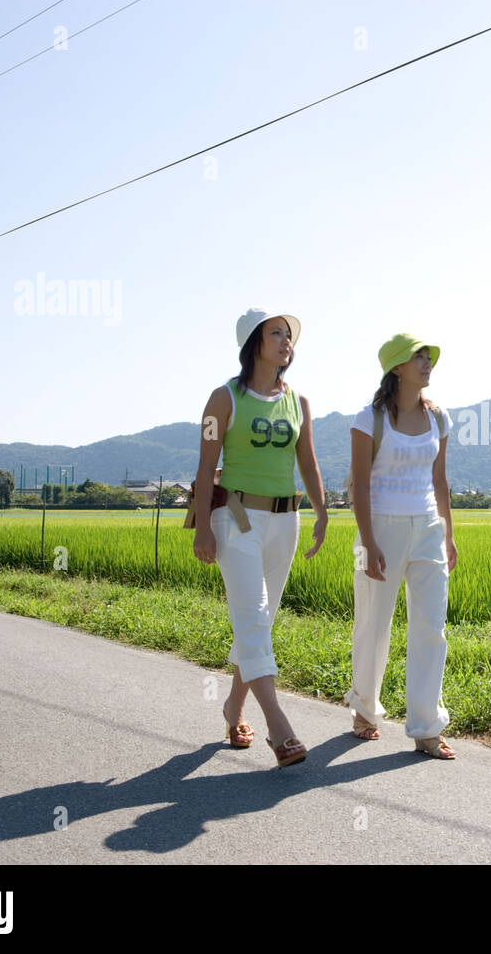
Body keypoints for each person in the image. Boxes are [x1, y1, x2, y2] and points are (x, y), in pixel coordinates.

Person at [192, 306, 328, 768]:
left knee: (261, 623)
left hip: (284, 518)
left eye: (289, 335)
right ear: (254, 342)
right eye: (277, 333)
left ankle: (234, 708)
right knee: (251, 618)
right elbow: (207, 466)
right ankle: (279, 727)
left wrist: (323, 513)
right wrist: (204, 529)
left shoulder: (299, 402)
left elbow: (307, 463)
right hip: (237, 514)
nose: (287, 341)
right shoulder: (223, 398)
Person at [344, 333, 458, 759]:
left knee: (431, 627)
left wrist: (448, 534)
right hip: (381, 528)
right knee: (373, 624)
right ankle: (365, 709)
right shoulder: (367, 419)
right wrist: (369, 542)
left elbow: (440, 481)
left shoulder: (439, 418)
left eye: (429, 357)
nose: (427, 364)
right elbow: (360, 485)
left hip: (428, 527)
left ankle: (427, 728)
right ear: (396, 369)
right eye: (418, 358)